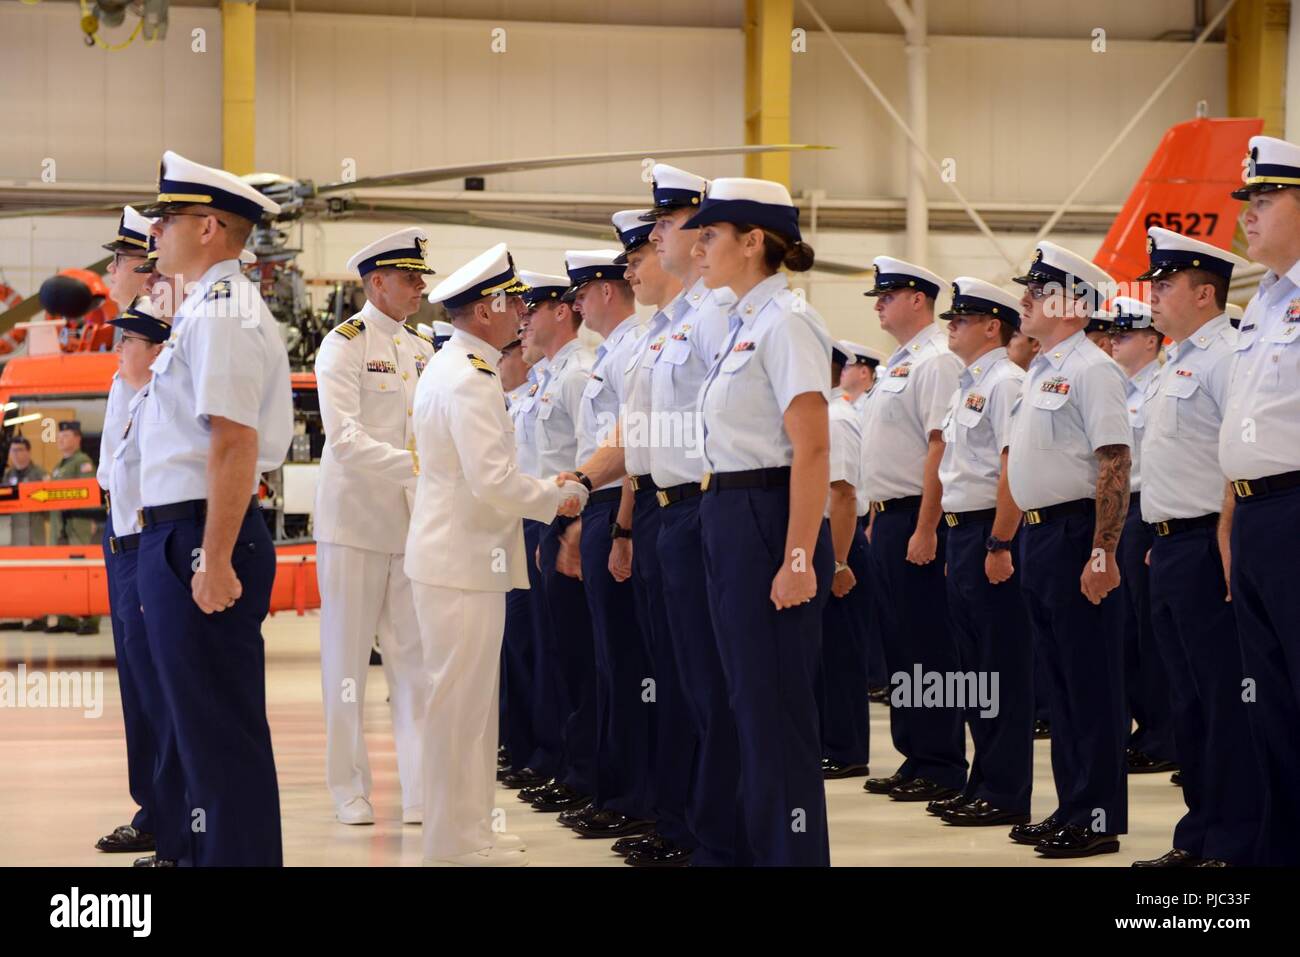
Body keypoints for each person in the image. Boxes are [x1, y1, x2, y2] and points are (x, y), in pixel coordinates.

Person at [405, 243, 587, 866]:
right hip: (461, 560)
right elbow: (492, 480)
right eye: (511, 302)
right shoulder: (471, 378)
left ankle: (473, 829)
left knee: (473, 707)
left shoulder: (455, 366)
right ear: (486, 310)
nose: (520, 314)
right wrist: (556, 498)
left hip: (461, 556)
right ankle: (450, 843)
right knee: (458, 707)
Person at [134, 150, 292, 866]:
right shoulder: (203, 306)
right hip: (181, 531)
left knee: (220, 739)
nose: (155, 231)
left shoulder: (224, 312)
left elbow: (233, 441)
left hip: (203, 532)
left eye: (167, 218)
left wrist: (215, 557)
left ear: (207, 226)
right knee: (201, 736)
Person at [688, 176, 834, 866]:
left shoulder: (788, 322)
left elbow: (811, 445)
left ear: (753, 242)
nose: (699, 247)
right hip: (728, 511)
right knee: (746, 703)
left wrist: (798, 557)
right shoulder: (743, 322)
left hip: (767, 512)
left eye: (711, 235)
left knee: (776, 714)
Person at [1131, 225, 1262, 868]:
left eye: (1165, 283)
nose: (1152, 293)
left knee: (1224, 697)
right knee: (1187, 700)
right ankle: (1200, 834)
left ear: (1205, 292)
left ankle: (1235, 841)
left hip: (1212, 546)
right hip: (1171, 546)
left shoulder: (1227, 356)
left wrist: (1218, 541)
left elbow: (1234, 459)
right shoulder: (1173, 362)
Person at [1006, 240, 1132, 858]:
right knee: (1059, 685)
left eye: (1039, 291)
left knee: (1091, 683)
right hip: (1037, 535)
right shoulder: (1043, 368)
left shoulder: (1093, 369)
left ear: (1073, 304)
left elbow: (1113, 460)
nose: (1025, 301)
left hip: (1075, 533)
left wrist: (1103, 551)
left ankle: (1098, 817)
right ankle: (1071, 805)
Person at [314, 227, 435, 827]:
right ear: (376, 281)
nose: (419, 287)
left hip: (410, 528)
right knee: (346, 664)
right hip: (355, 524)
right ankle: (348, 789)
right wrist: (421, 467)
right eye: (409, 277)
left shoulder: (421, 350)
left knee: (413, 663)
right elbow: (346, 438)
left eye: (421, 277)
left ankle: (418, 790)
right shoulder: (344, 344)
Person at [858, 256, 967, 803]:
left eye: (887, 294)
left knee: (928, 645)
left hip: (917, 517)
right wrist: (879, 519)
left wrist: (926, 528)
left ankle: (942, 761)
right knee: (901, 644)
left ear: (918, 299)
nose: (878, 303)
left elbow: (939, 447)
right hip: (891, 515)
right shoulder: (897, 363)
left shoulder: (937, 361)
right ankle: (915, 754)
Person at [1218, 135, 1300, 866]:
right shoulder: (1264, 303)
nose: (1249, 213)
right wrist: (1231, 518)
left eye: (1265, 199)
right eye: (1248, 200)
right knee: (1269, 701)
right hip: (1257, 518)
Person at [929, 277, 1033, 827]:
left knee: (1001, 668)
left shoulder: (1007, 384)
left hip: (989, 534)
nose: (951, 326)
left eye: (962, 318)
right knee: (973, 670)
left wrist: (999, 540)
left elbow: (1011, 468)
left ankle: (1006, 790)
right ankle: (982, 782)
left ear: (993, 326)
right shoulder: (968, 383)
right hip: (962, 533)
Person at [560, 248, 655, 839]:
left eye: (580, 293)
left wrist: (620, 525)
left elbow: (632, 450)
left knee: (628, 663)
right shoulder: (612, 353)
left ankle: (635, 796)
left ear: (606, 290)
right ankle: (616, 789)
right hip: (596, 505)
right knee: (608, 661)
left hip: (618, 504)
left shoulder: (636, 347)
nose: (574, 305)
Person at [94, 300, 189, 867]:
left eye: (127, 341)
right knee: (142, 699)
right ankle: (156, 812)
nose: (117, 350)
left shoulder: (161, 399)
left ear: (155, 351)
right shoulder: (126, 390)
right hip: (124, 547)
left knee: (161, 696)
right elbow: (111, 474)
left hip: (146, 550)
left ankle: (175, 822)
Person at [515, 267, 599, 816]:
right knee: (548, 652)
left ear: (564, 311)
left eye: (534, 309)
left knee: (577, 656)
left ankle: (581, 769)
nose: (523, 320)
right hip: (540, 518)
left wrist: (573, 528)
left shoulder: (578, 373)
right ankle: (557, 759)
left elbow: (592, 459)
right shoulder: (545, 377)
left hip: (568, 518)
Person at [1108, 295, 1178, 775]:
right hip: (1121, 513)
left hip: (1144, 509)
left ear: (1152, 341)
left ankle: (1162, 733)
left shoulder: (1158, 385)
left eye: (1125, 335)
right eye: (1112, 334)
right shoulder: (1121, 388)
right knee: (1127, 630)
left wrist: (1153, 529)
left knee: (1150, 630)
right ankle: (1145, 726)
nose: (1114, 341)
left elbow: (1156, 462)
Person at [816, 342, 870, 779]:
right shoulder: (822, 414)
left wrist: (837, 561)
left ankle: (845, 747)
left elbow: (844, 493)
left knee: (839, 651)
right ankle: (829, 740)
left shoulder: (836, 417)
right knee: (822, 649)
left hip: (840, 544)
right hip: (825, 541)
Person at [48, 421, 101, 635]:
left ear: (77, 438)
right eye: (59, 436)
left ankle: (90, 619)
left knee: (83, 572)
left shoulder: (83, 463)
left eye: (66, 435)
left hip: (77, 525)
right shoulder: (59, 466)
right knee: (63, 573)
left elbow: (89, 494)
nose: (61, 439)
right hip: (59, 527)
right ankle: (66, 616)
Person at [2, 438, 50, 632]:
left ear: (28, 452)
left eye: (20, 450)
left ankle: (40, 617)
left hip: (34, 533)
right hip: (15, 535)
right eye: (13, 451)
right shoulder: (9, 475)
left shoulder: (40, 474)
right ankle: (19, 616)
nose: (16, 454)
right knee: (18, 578)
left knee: (39, 578)